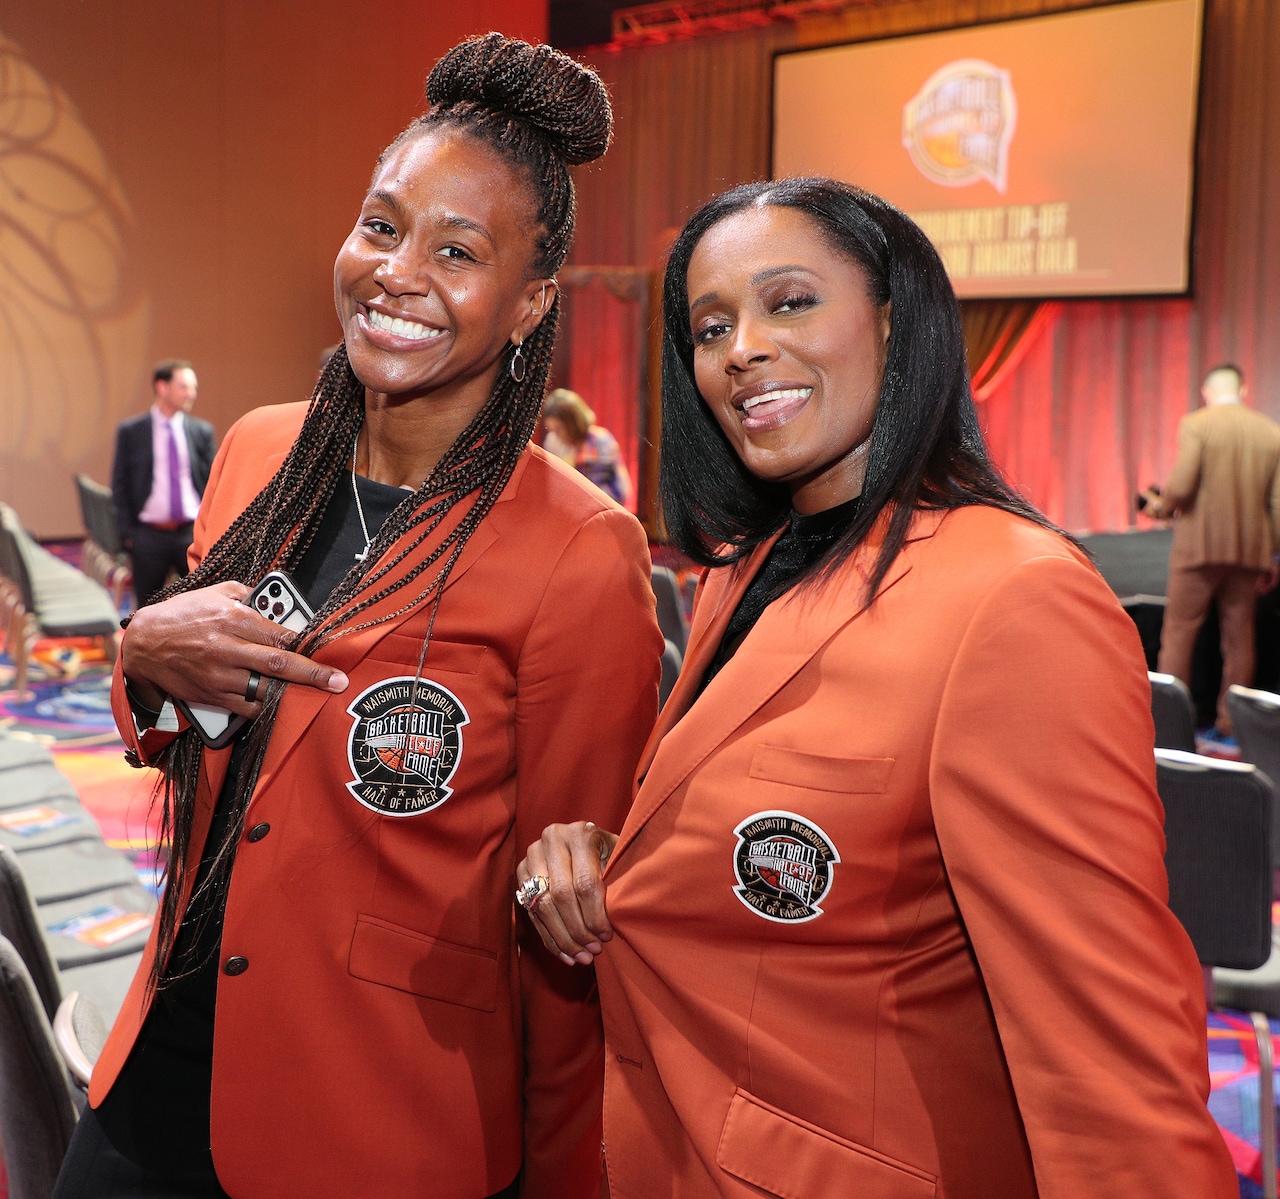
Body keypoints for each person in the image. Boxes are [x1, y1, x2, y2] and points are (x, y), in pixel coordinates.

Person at [516, 179, 1237, 1198]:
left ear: (896, 324)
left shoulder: (1015, 598)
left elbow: (1106, 1053)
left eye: (790, 301)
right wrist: (615, 856)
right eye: (710, 326)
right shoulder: (743, 566)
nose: (741, 349)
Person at [57, 36, 662, 1199]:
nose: (396, 271)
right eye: (382, 226)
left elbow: (570, 931)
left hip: (376, 1125)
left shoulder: (580, 551)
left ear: (532, 302)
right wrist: (143, 657)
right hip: (161, 1070)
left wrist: (562, 1178)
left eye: (457, 251)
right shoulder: (257, 451)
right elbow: (196, 724)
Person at [1150, 364, 1280, 741]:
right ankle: (1232, 725)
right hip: (1249, 551)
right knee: (1239, 638)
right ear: (1244, 390)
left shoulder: (1197, 424)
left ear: (1206, 392)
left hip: (1198, 548)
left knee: (1179, 634)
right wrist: (1273, 553)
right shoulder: (1270, 432)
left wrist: (1162, 506)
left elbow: (1181, 485)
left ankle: (1170, 727)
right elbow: (1277, 502)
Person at [111, 360, 216, 607]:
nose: (191, 394)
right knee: (147, 611)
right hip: (148, 536)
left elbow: (213, 484)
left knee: (200, 606)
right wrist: (129, 535)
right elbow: (120, 486)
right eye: (184, 387)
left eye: (193, 387)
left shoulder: (201, 431)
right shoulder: (132, 432)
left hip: (190, 534)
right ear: (162, 387)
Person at [540, 388, 633, 506]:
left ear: (573, 423)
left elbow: (618, 490)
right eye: (552, 430)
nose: (556, 436)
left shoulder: (601, 441)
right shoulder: (553, 441)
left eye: (558, 429)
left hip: (600, 509)